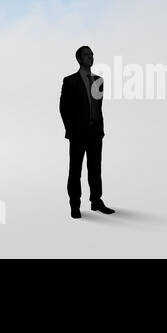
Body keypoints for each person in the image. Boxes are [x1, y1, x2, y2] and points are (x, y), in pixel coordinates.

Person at [59, 45, 114, 219]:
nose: (90, 57)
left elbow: (97, 106)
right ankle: (75, 205)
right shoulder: (70, 81)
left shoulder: (98, 81)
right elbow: (63, 108)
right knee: (75, 170)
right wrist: (71, 129)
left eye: (92, 54)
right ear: (79, 58)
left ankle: (96, 201)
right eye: (86, 54)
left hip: (95, 132)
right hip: (78, 133)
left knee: (95, 169)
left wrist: (99, 127)